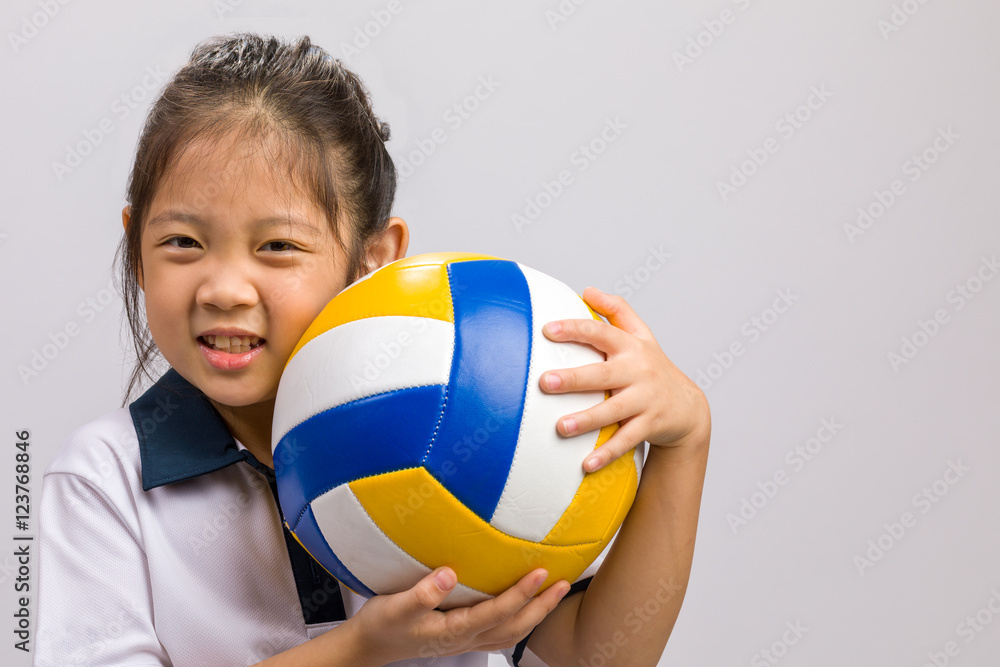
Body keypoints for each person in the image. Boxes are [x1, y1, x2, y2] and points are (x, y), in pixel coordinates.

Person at [33, 32, 711, 667]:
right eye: (183, 241)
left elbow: (596, 654)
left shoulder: (466, 423)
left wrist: (686, 440)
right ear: (135, 248)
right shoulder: (103, 480)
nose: (224, 288)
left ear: (374, 259)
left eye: (277, 246)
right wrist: (362, 647)